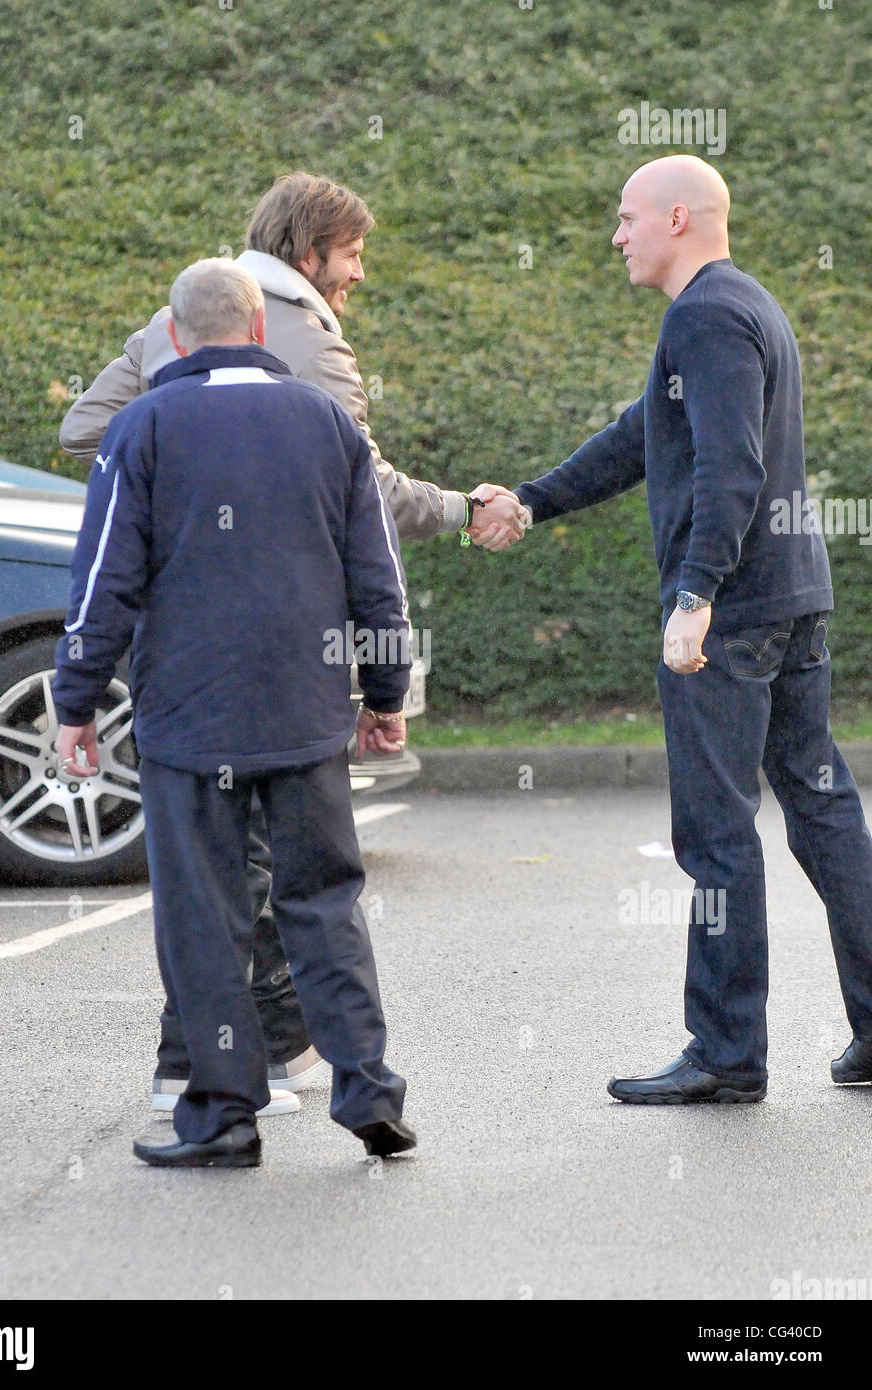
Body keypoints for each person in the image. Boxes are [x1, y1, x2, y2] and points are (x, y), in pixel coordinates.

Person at [59, 172, 530, 1117]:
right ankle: (291, 1062)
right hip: (291, 665)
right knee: (295, 880)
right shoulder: (308, 347)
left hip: (180, 662)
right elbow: (371, 508)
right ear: (308, 253)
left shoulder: (169, 330)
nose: (360, 273)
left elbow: (87, 441)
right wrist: (460, 511)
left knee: (209, 883)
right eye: (352, 253)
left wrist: (168, 466)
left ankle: (206, 1072)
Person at [507, 154, 872, 1102]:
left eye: (627, 218)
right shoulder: (742, 303)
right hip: (791, 601)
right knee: (824, 812)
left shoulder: (703, 314)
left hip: (733, 614)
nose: (616, 234)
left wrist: (694, 593)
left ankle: (724, 1055)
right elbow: (643, 436)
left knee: (715, 834)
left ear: (676, 219)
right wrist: (532, 502)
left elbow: (730, 465)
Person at [52, 258, 417, 1167]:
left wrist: (76, 701)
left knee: (205, 913)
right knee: (323, 900)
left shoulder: (141, 428)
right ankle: (366, 1085)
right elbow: (377, 581)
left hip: (189, 719)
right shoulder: (325, 423)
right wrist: (383, 695)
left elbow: (104, 584)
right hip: (304, 712)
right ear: (259, 331)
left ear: (173, 337)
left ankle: (221, 1116)